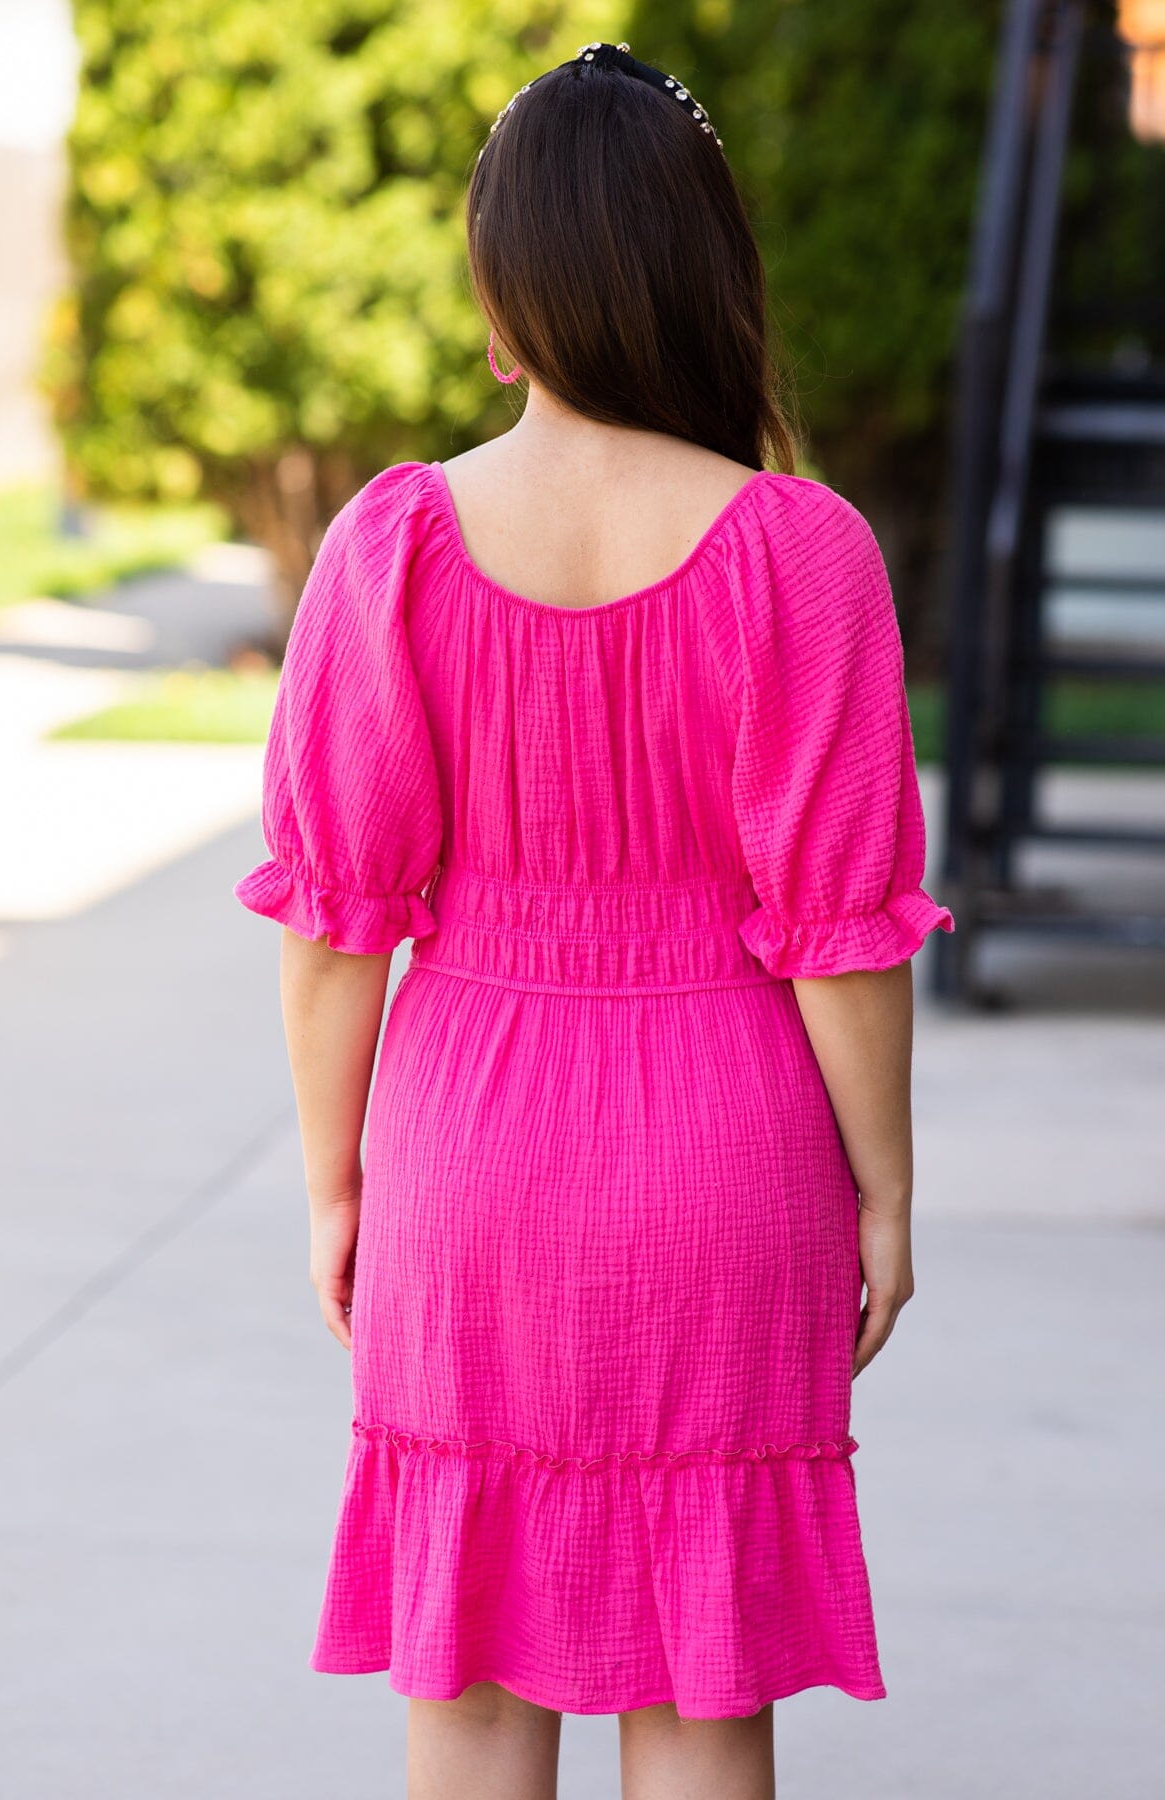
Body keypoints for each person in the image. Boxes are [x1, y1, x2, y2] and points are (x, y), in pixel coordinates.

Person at [233, 40, 955, 1800]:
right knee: (702, 1688)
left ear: (505, 301)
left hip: (468, 1160)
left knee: (468, 1686)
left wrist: (340, 1183)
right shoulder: (803, 555)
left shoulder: (391, 546)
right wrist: (885, 1189)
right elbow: (842, 933)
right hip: (728, 1161)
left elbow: (336, 927)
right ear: (710, 281)